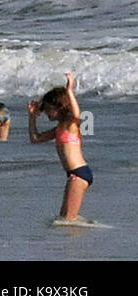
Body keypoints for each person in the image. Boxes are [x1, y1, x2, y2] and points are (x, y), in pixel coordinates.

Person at [28, 73, 92, 222]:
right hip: (73, 174)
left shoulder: (70, 124)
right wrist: (31, 118)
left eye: (49, 109)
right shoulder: (58, 129)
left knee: (67, 220)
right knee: (64, 218)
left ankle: (74, 244)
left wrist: (69, 91)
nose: (47, 114)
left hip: (79, 173)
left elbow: (77, 114)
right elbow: (35, 139)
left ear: (59, 107)